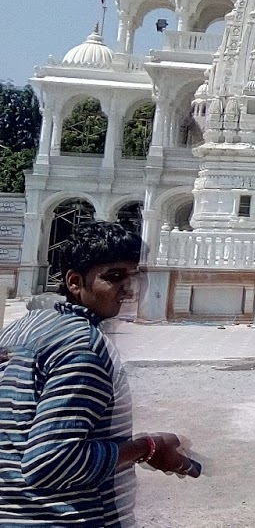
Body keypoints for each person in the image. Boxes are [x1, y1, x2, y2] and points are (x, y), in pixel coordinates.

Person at [0, 220, 200, 525]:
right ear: (75, 282)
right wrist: (146, 447)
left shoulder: (19, 331)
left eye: (133, 277)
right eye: (114, 277)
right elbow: (52, 463)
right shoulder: (83, 345)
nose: (128, 289)